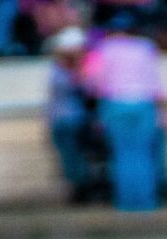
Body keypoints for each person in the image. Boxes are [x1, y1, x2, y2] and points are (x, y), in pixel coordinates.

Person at [89, 13, 165, 211]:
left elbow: (95, 82)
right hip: (143, 103)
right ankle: (146, 203)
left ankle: (126, 203)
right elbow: (156, 82)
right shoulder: (145, 47)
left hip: (116, 103)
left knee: (122, 155)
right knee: (143, 154)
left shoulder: (104, 49)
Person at [44, 27, 94, 201]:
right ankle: (79, 188)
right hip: (67, 120)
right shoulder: (63, 70)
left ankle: (80, 189)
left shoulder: (64, 70)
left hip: (70, 120)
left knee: (73, 157)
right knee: (71, 157)